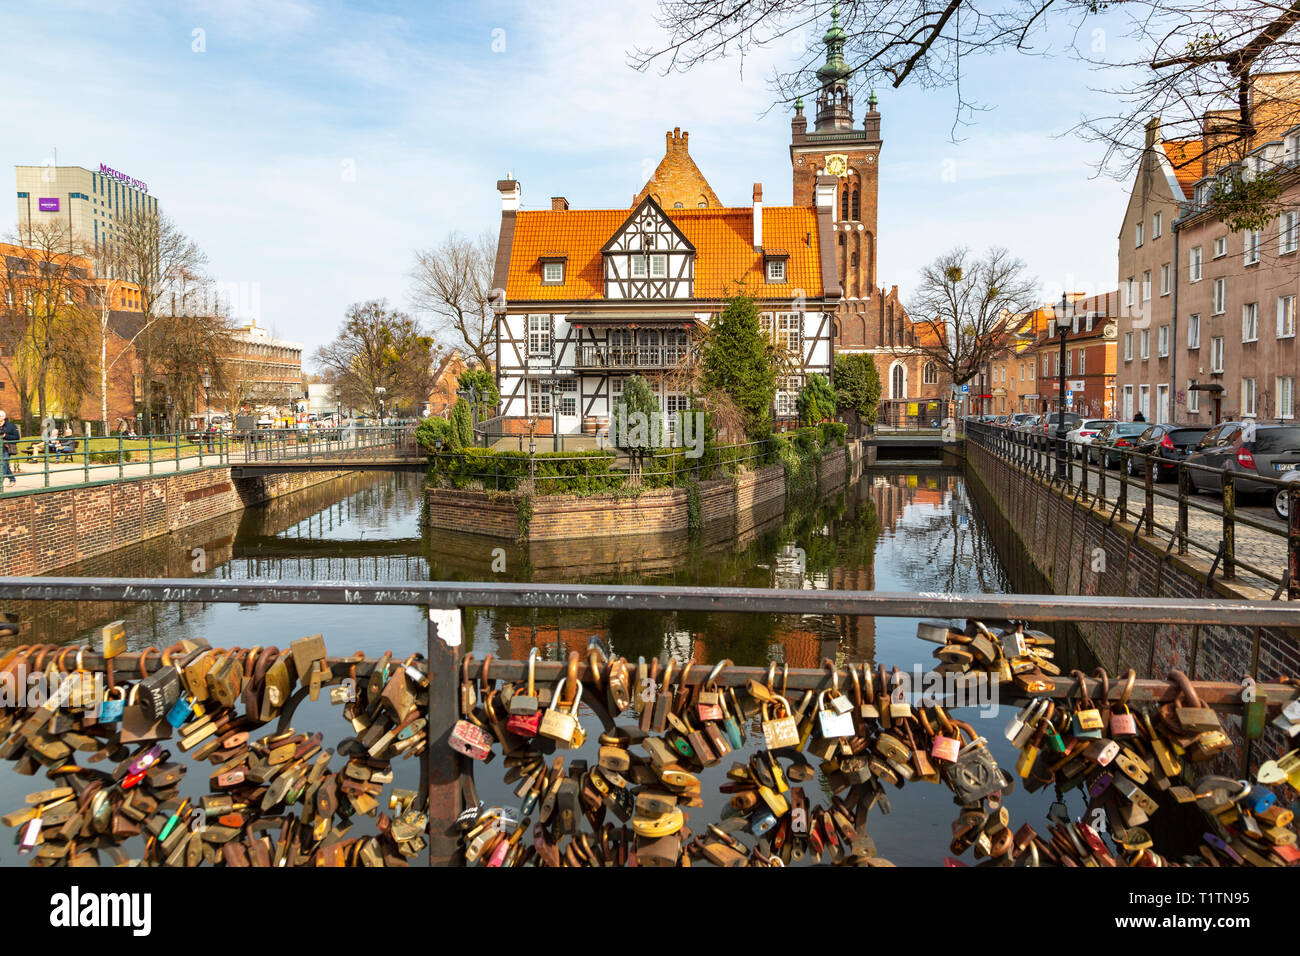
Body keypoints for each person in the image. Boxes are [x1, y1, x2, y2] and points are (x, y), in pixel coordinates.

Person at [0, 411, 18, 486]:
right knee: (5, 465)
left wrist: (5, 436)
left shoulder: (11, 426)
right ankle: (12, 479)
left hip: (6, 449)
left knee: (3, 464)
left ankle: (0, 483)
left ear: (3, 417)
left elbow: (17, 437)